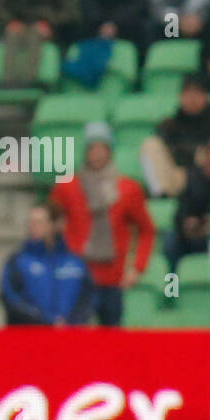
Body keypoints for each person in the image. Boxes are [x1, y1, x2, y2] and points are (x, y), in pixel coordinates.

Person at [49, 122, 154, 325]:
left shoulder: (128, 189)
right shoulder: (67, 188)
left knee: (112, 345)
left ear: (110, 151)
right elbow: (48, 225)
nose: (97, 154)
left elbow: (147, 230)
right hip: (76, 277)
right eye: (92, 148)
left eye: (102, 148)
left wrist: (137, 268)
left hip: (113, 279)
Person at [1, 204, 96, 326]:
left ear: (53, 225)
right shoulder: (18, 261)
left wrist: (72, 320)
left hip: (69, 335)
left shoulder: (75, 262)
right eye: (30, 222)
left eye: (38, 222)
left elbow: (89, 297)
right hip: (30, 335)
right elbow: (11, 298)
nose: (32, 226)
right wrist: (45, 320)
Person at [141, 73, 210, 196]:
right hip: (179, 176)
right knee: (150, 145)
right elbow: (169, 152)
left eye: (197, 93)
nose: (192, 98)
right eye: (187, 93)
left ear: (206, 96)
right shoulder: (170, 125)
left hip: (209, 179)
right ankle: (161, 195)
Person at [167, 130, 210, 272]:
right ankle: (172, 289)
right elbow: (180, 214)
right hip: (194, 237)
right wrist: (187, 224)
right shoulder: (193, 179)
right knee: (170, 244)